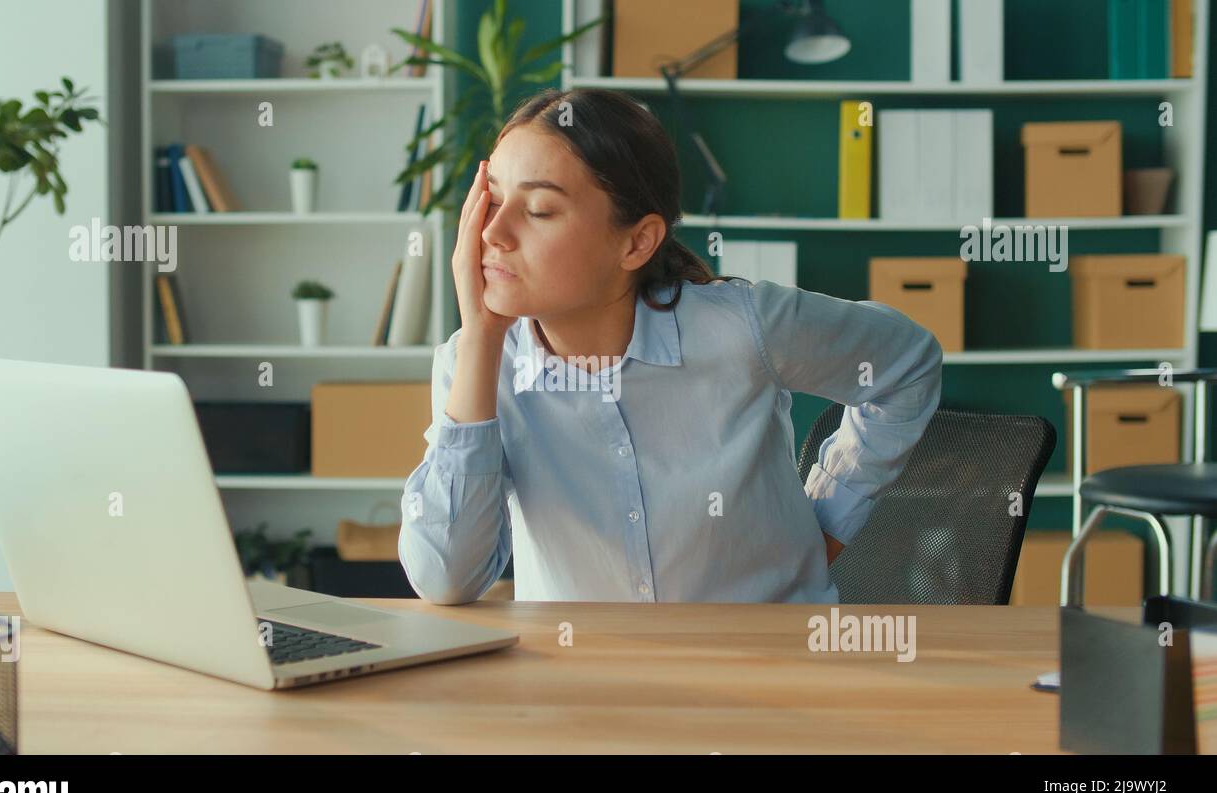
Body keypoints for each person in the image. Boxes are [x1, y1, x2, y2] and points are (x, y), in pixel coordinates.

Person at [398, 88, 942, 604]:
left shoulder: (742, 326)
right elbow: (446, 579)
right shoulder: (475, 361)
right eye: (491, 201)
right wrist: (481, 341)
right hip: (587, 682)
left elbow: (905, 363)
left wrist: (829, 517)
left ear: (636, 241)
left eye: (538, 210)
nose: (494, 232)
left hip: (772, 668)